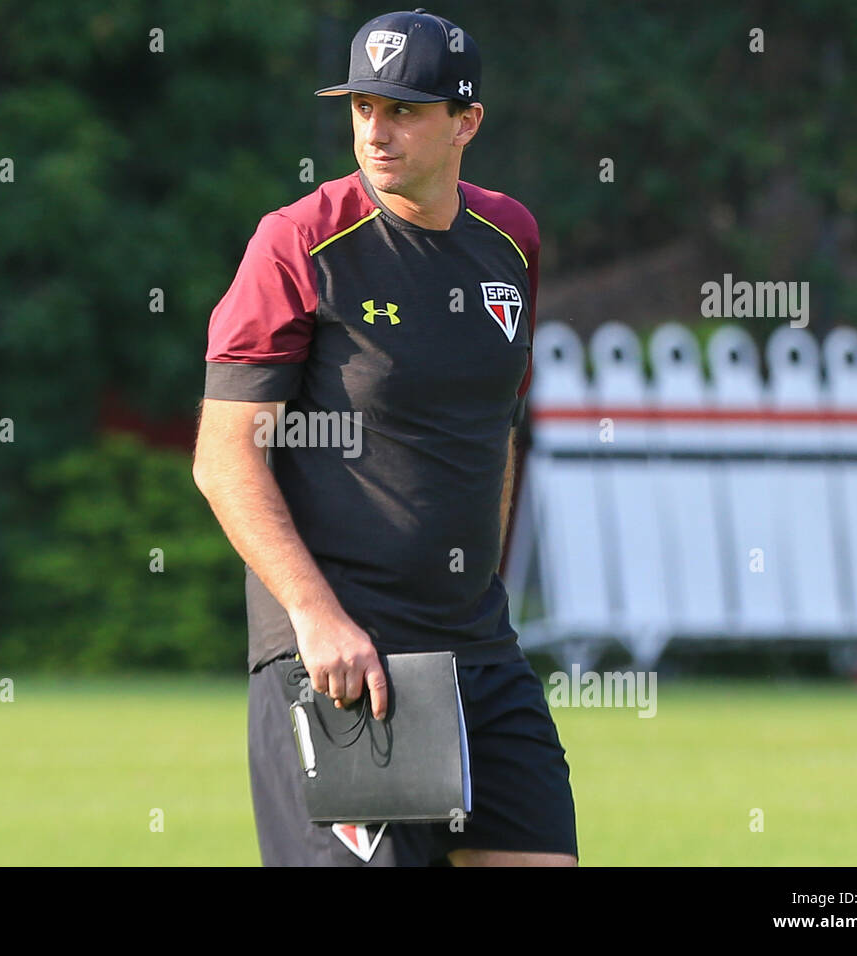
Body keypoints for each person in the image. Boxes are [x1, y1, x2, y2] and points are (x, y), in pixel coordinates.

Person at [192, 7, 578, 866]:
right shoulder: (298, 243)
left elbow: (499, 425)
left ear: (465, 123)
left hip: (479, 647)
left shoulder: (510, 240)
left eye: (404, 110)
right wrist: (316, 617)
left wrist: (483, 582)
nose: (377, 131)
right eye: (364, 107)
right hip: (341, 659)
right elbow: (225, 459)